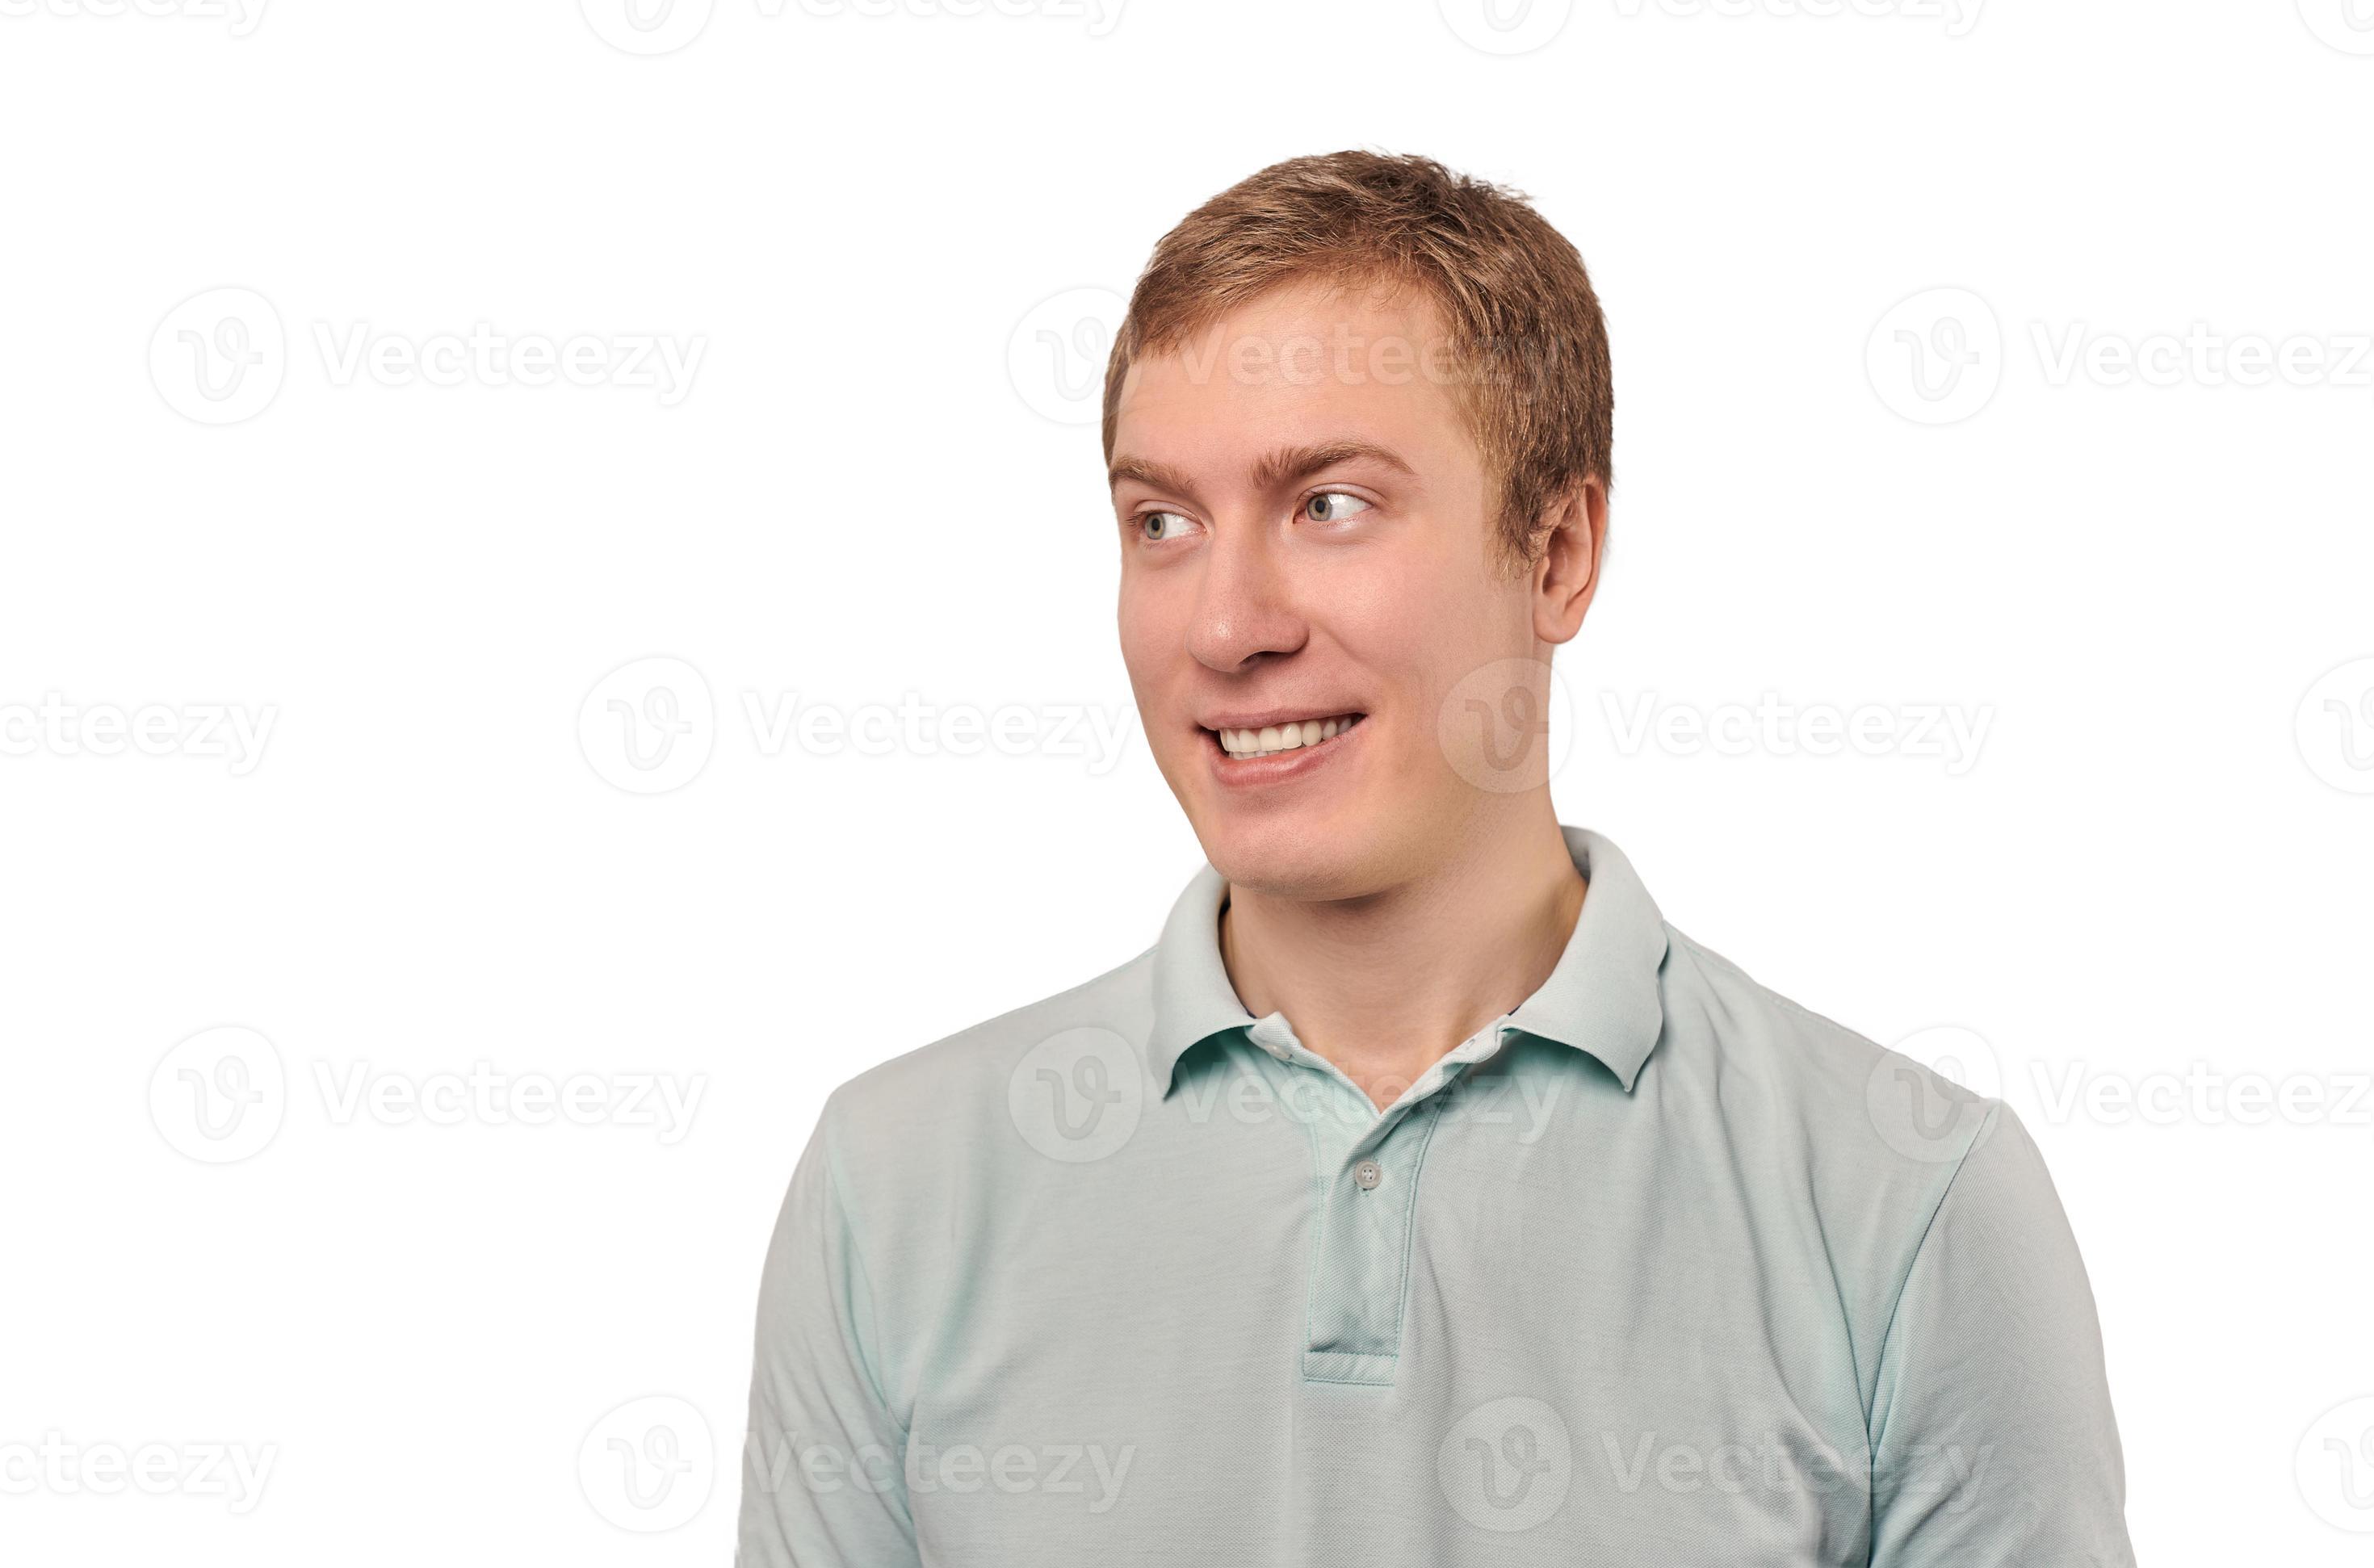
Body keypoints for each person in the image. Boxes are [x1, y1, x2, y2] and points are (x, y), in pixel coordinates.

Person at [736, 150, 2133, 1566]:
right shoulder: (894, 1188)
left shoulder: (1908, 1205)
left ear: (1560, 552)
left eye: (1328, 504)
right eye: (1163, 522)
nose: (1226, 628)